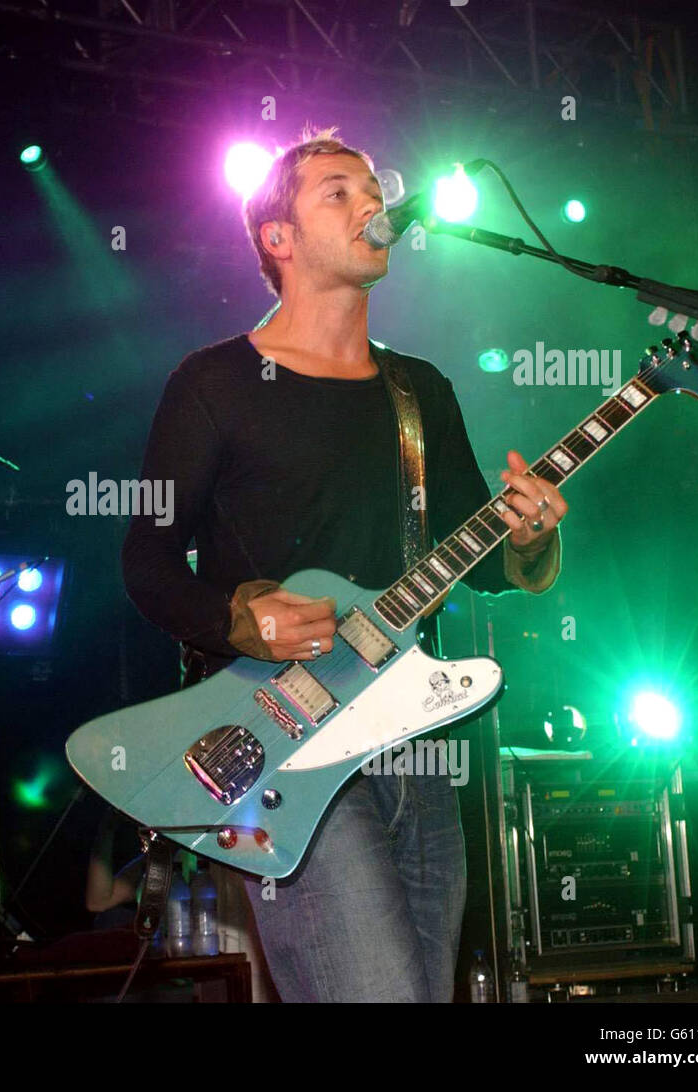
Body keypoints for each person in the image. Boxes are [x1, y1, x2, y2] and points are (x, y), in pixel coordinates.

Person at [119, 127, 567, 1002]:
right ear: (278, 240)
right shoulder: (213, 383)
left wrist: (530, 538)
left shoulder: (419, 391)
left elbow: (474, 562)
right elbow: (148, 559)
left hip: (417, 747)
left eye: (375, 189)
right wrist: (236, 618)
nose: (374, 204)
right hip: (284, 748)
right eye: (340, 191)